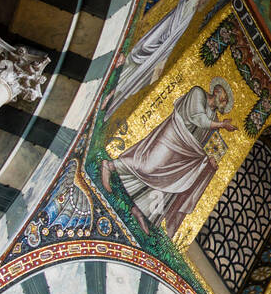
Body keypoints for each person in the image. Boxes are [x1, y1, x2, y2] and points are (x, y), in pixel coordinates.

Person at [100, 80, 235, 235]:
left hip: (186, 151)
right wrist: (221, 125)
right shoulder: (198, 93)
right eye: (224, 98)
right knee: (149, 164)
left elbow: (203, 140)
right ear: (216, 92)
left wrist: (208, 159)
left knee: (171, 185)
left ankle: (141, 212)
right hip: (174, 134)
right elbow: (198, 118)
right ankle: (109, 166)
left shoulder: (214, 116)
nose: (224, 103)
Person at [103, 0, 209, 119]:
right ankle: (110, 88)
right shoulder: (187, 4)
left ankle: (110, 96)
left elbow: (174, 38)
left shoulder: (190, 15)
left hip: (161, 50)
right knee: (136, 61)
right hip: (159, 39)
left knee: (137, 75)